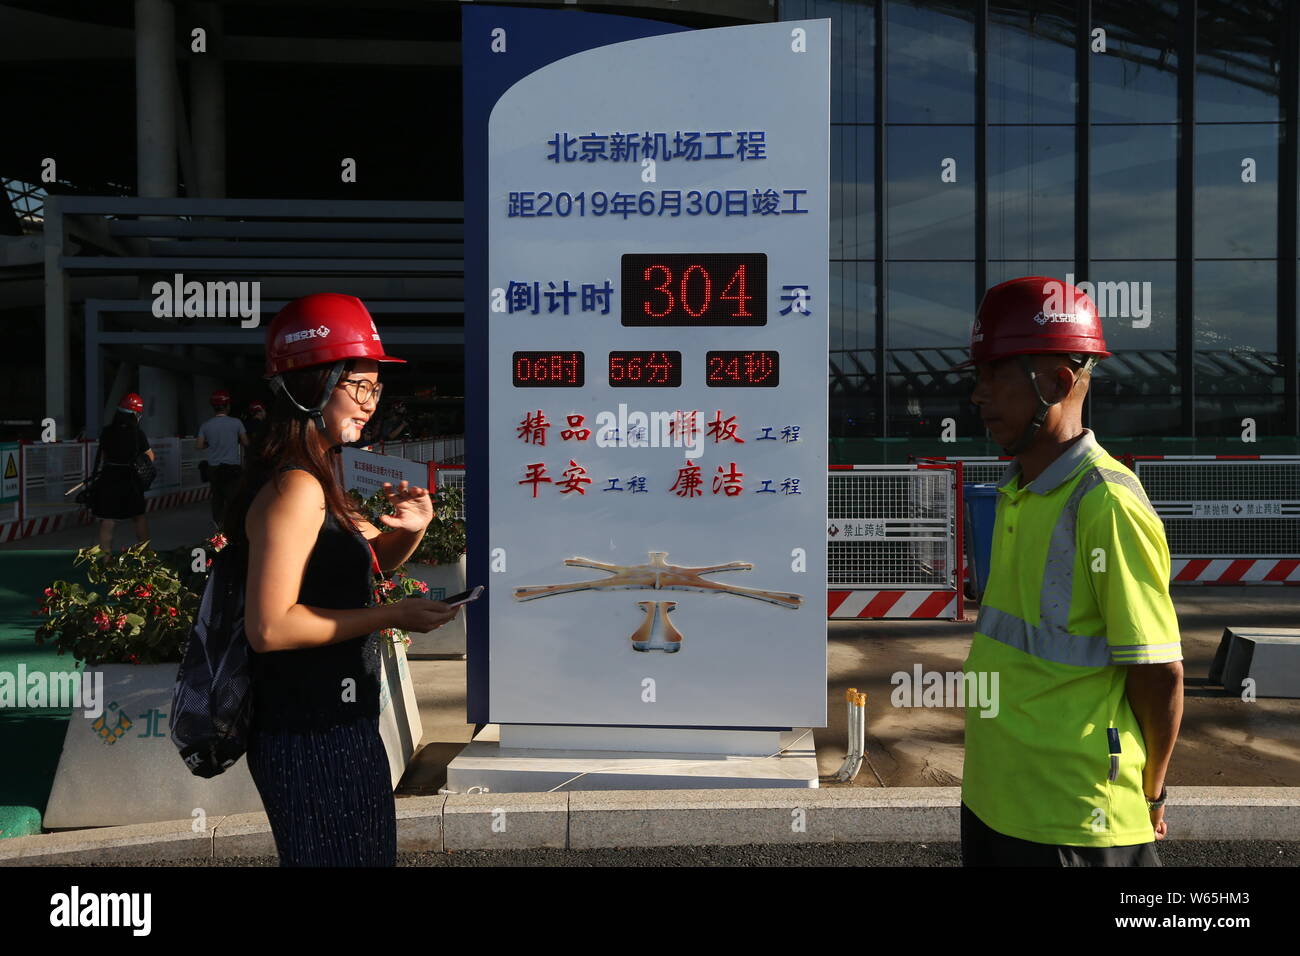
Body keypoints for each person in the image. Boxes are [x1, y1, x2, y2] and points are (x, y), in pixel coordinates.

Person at [222, 292, 459, 867]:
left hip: (337, 722)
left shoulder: (316, 474)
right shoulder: (296, 486)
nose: (372, 404)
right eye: (361, 386)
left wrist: (411, 530)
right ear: (312, 385)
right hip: (309, 733)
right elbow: (271, 627)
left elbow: (347, 574)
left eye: (377, 389)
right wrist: (393, 615)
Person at [958, 276, 1184, 867]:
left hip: (1076, 820)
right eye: (976, 376)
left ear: (1057, 382)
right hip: (993, 800)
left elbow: (1159, 671)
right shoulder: (1017, 492)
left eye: (995, 376)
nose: (979, 396)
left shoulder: (1106, 504)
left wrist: (1152, 793)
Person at [89, 392, 157, 558]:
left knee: (108, 519)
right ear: (135, 414)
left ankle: (106, 558)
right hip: (130, 479)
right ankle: (145, 556)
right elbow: (150, 457)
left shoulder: (107, 431)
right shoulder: (137, 433)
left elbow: (104, 456)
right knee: (139, 518)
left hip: (109, 477)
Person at [196, 389, 248, 531]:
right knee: (233, 500)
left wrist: (211, 443)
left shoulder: (205, 425)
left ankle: (218, 531)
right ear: (227, 406)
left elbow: (199, 445)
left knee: (217, 499)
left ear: (213, 407)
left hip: (214, 469)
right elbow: (246, 442)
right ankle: (234, 530)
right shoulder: (236, 423)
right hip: (231, 469)